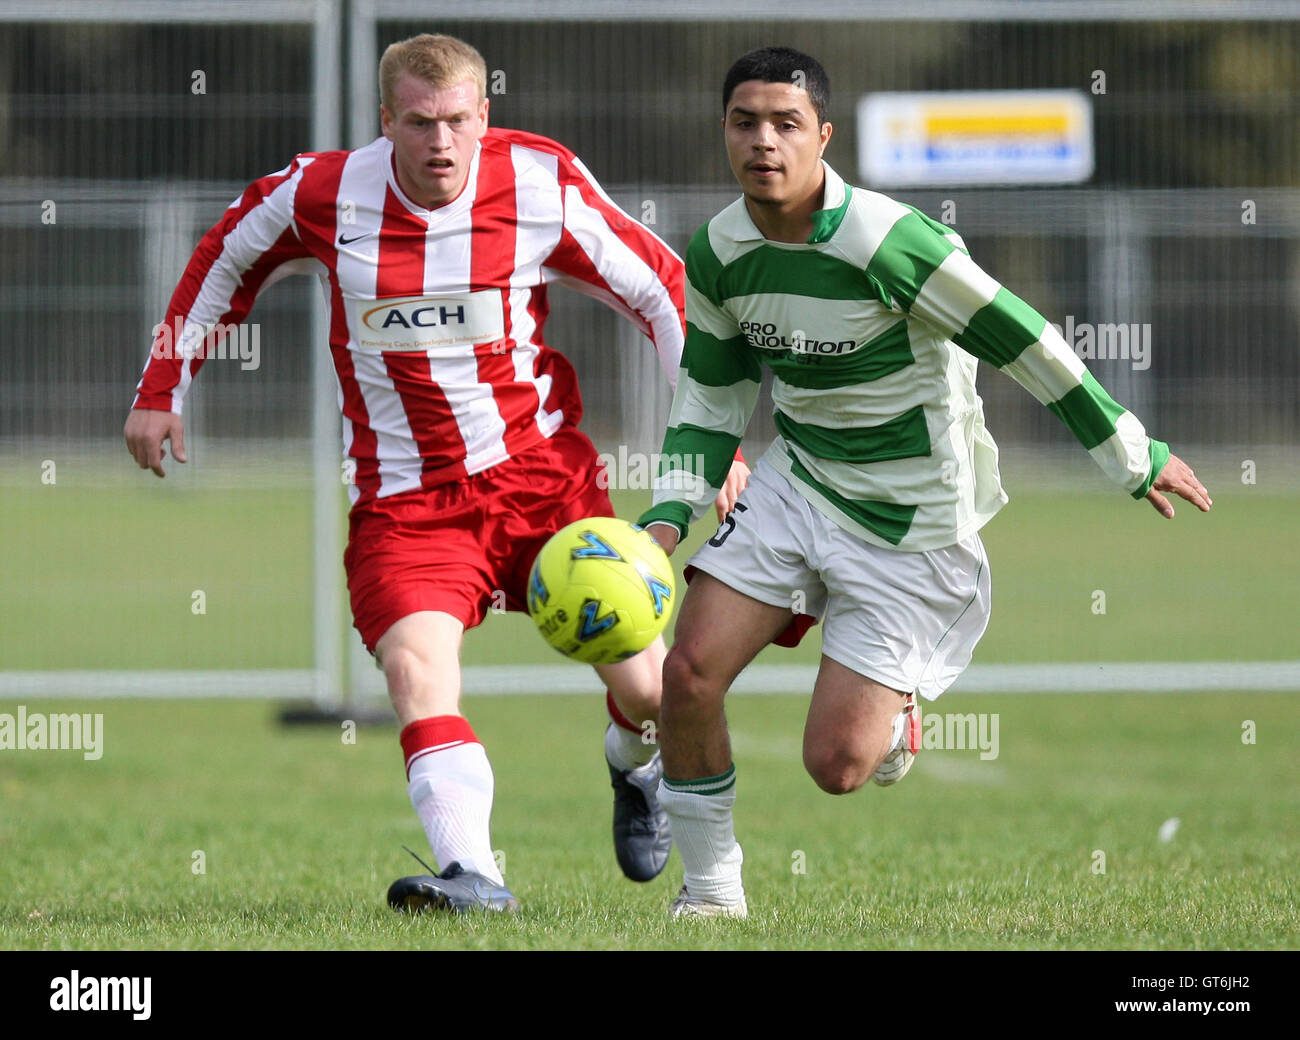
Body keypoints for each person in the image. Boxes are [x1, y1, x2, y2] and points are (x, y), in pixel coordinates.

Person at [123, 32, 747, 913]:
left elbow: (660, 288)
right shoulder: (323, 191)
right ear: (388, 122)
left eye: (458, 120)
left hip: (541, 485)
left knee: (652, 692)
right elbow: (222, 261)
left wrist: (704, 446)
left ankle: (631, 760)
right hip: (406, 500)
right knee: (417, 670)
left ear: (483, 115)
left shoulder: (537, 181)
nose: (441, 142)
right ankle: (474, 874)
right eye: (420, 123)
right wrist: (162, 385)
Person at [637, 46, 1212, 918]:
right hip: (800, 482)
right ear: (724, 130)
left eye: (786, 123)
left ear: (822, 137)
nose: (765, 140)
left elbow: (1026, 341)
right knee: (687, 674)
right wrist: (666, 521)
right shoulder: (717, 252)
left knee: (836, 768)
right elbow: (710, 403)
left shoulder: (891, 241)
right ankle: (713, 894)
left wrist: (1132, 455)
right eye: (745, 121)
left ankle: (893, 718)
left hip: (913, 515)